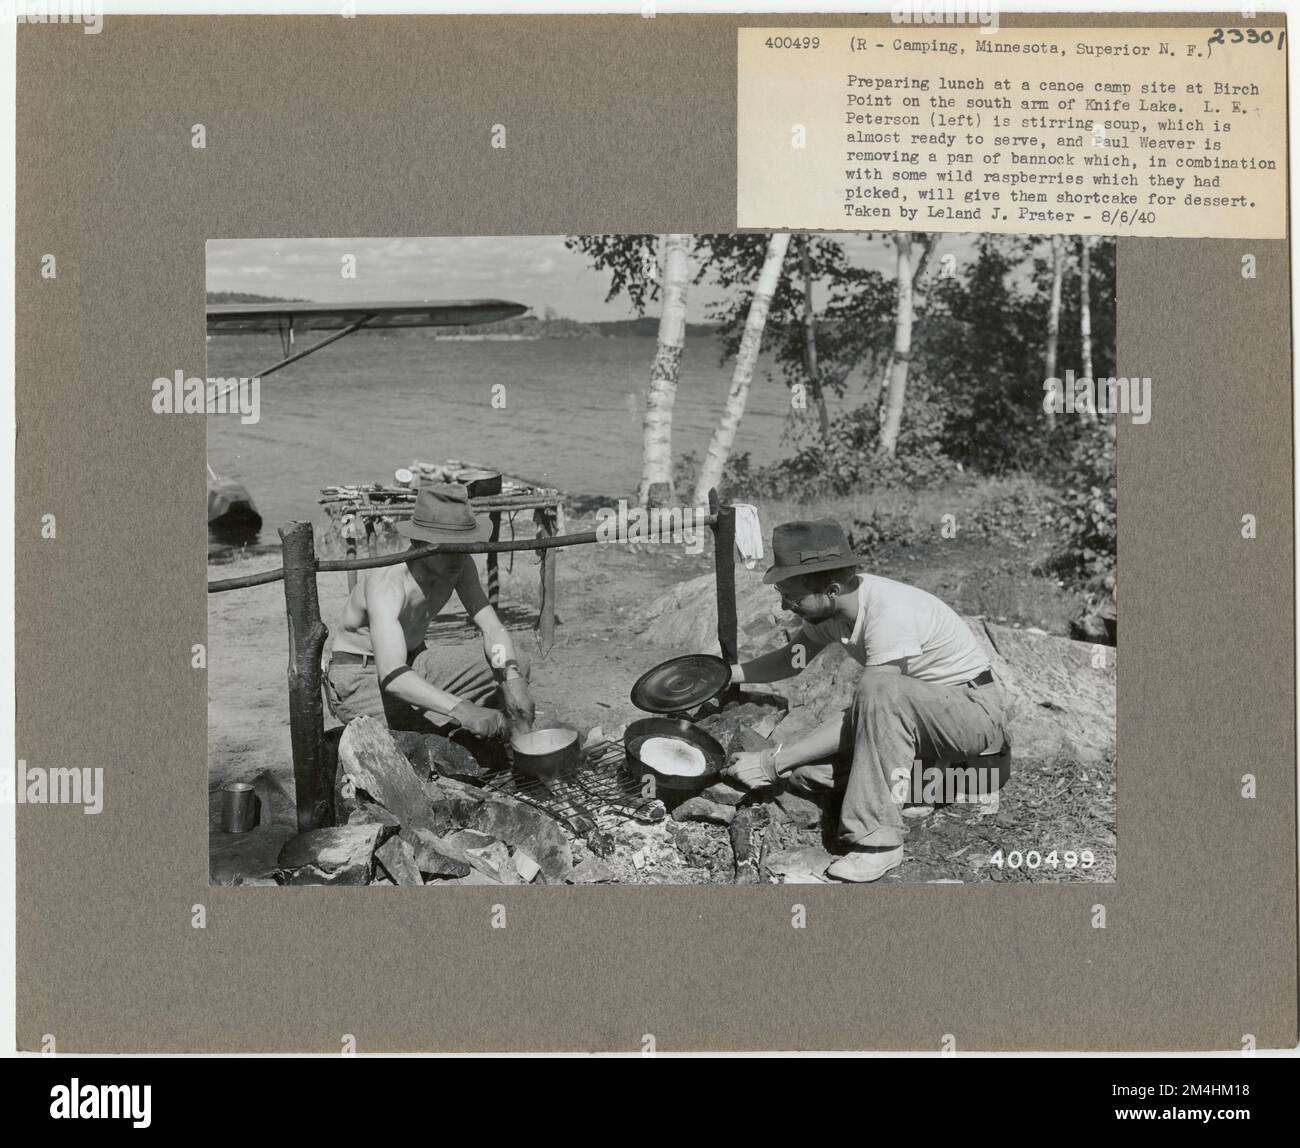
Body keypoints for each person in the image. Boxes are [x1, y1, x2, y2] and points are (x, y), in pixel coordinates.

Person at [720, 519, 1008, 883]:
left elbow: (874, 705)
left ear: (832, 589)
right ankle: (920, 780)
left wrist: (773, 761)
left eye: (792, 596)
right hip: (915, 723)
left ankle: (879, 842)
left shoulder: (889, 612)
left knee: (874, 692)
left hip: (970, 713)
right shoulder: (833, 610)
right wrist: (729, 674)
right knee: (807, 773)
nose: (784, 604)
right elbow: (790, 659)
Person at [324, 484, 535, 754]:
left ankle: (522, 747)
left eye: (464, 544)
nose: (458, 555)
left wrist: (512, 678)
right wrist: (461, 709)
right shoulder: (387, 584)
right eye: (449, 547)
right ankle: (457, 732)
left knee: (518, 660)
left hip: (416, 665)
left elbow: (493, 629)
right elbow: (391, 674)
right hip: (362, 680)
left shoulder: (460, 565)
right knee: (434, 736)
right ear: (420, 543)